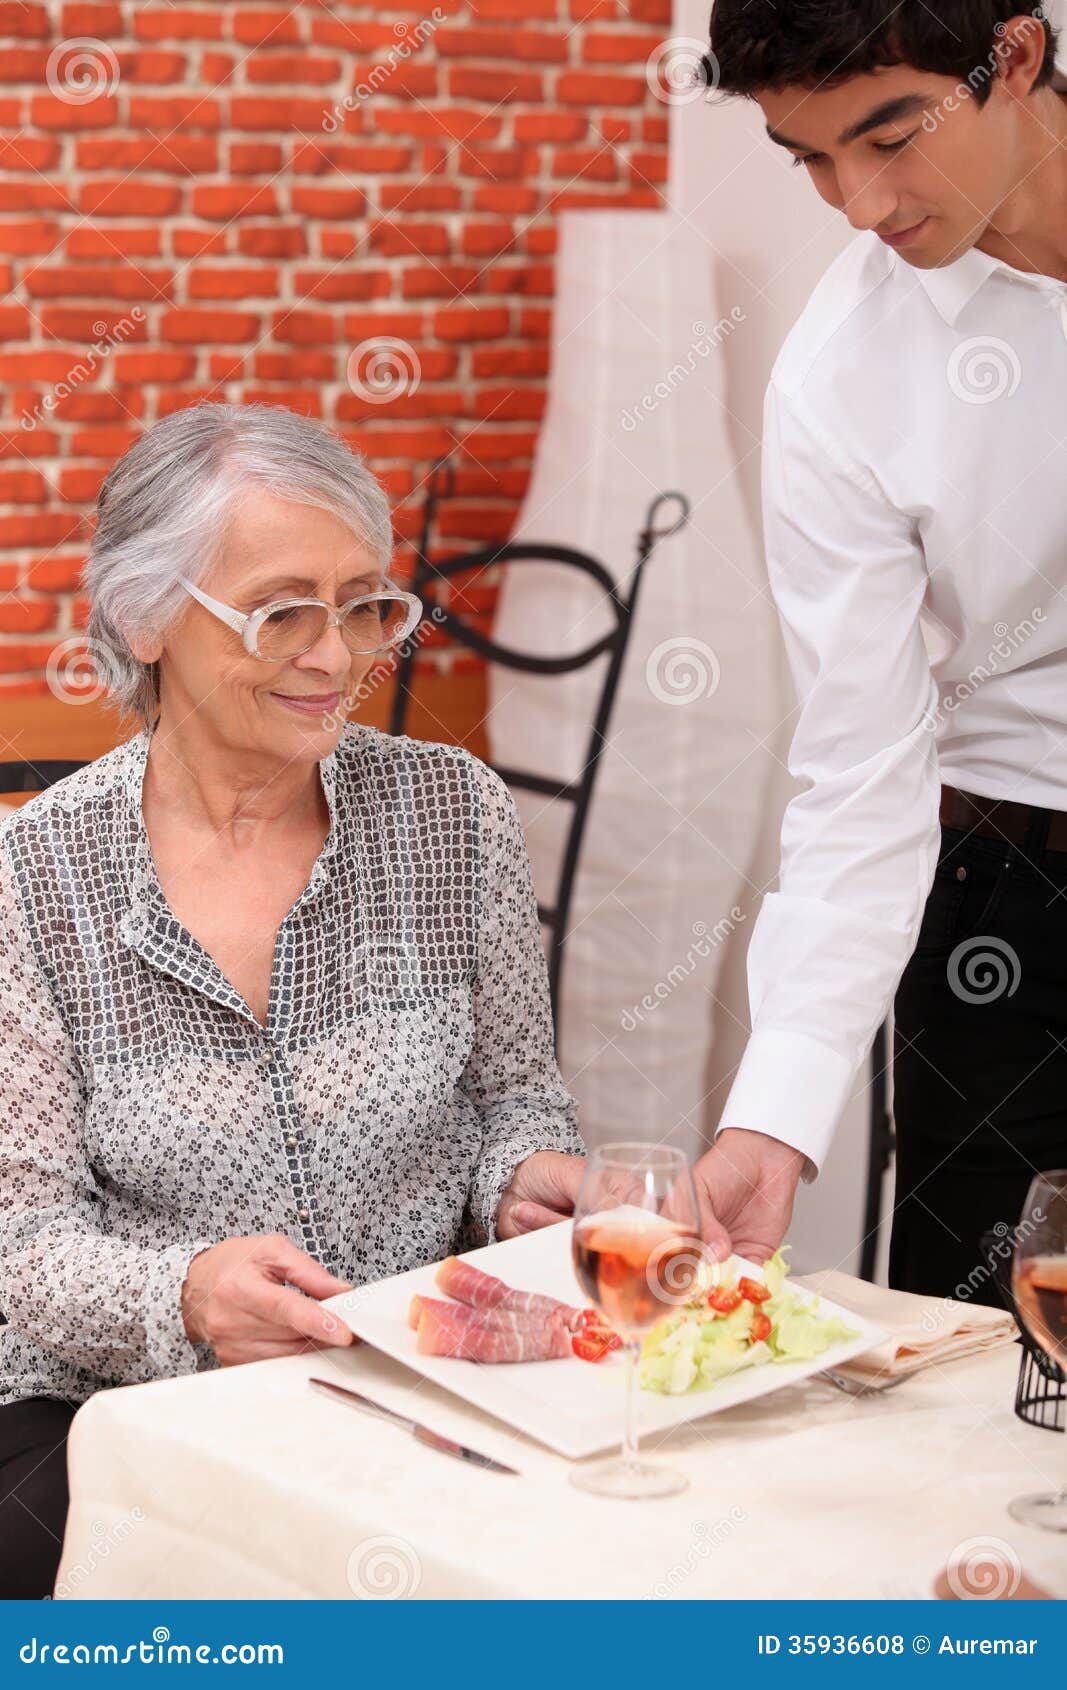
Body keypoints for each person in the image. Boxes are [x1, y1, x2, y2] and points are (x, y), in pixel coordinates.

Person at [0, 402, 585, 1597]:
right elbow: (20, 1241)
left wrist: (524, 1183)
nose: (338, 657)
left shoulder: (452, 814)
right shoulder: (31, 879)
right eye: (281, 611)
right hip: (109, 1403)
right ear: (144, 615)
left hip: (404, 1383)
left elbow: (515, 1096)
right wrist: (186, 1295)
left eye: (365, 604)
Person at [692, 2, 1067, 1295]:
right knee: (980, 1391)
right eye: (806, 157)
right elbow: (860, 767)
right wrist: (772, 1115)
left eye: (887, 134)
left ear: (1011, 56)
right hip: (1008, 910)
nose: (855, 203)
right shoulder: (838, 378)